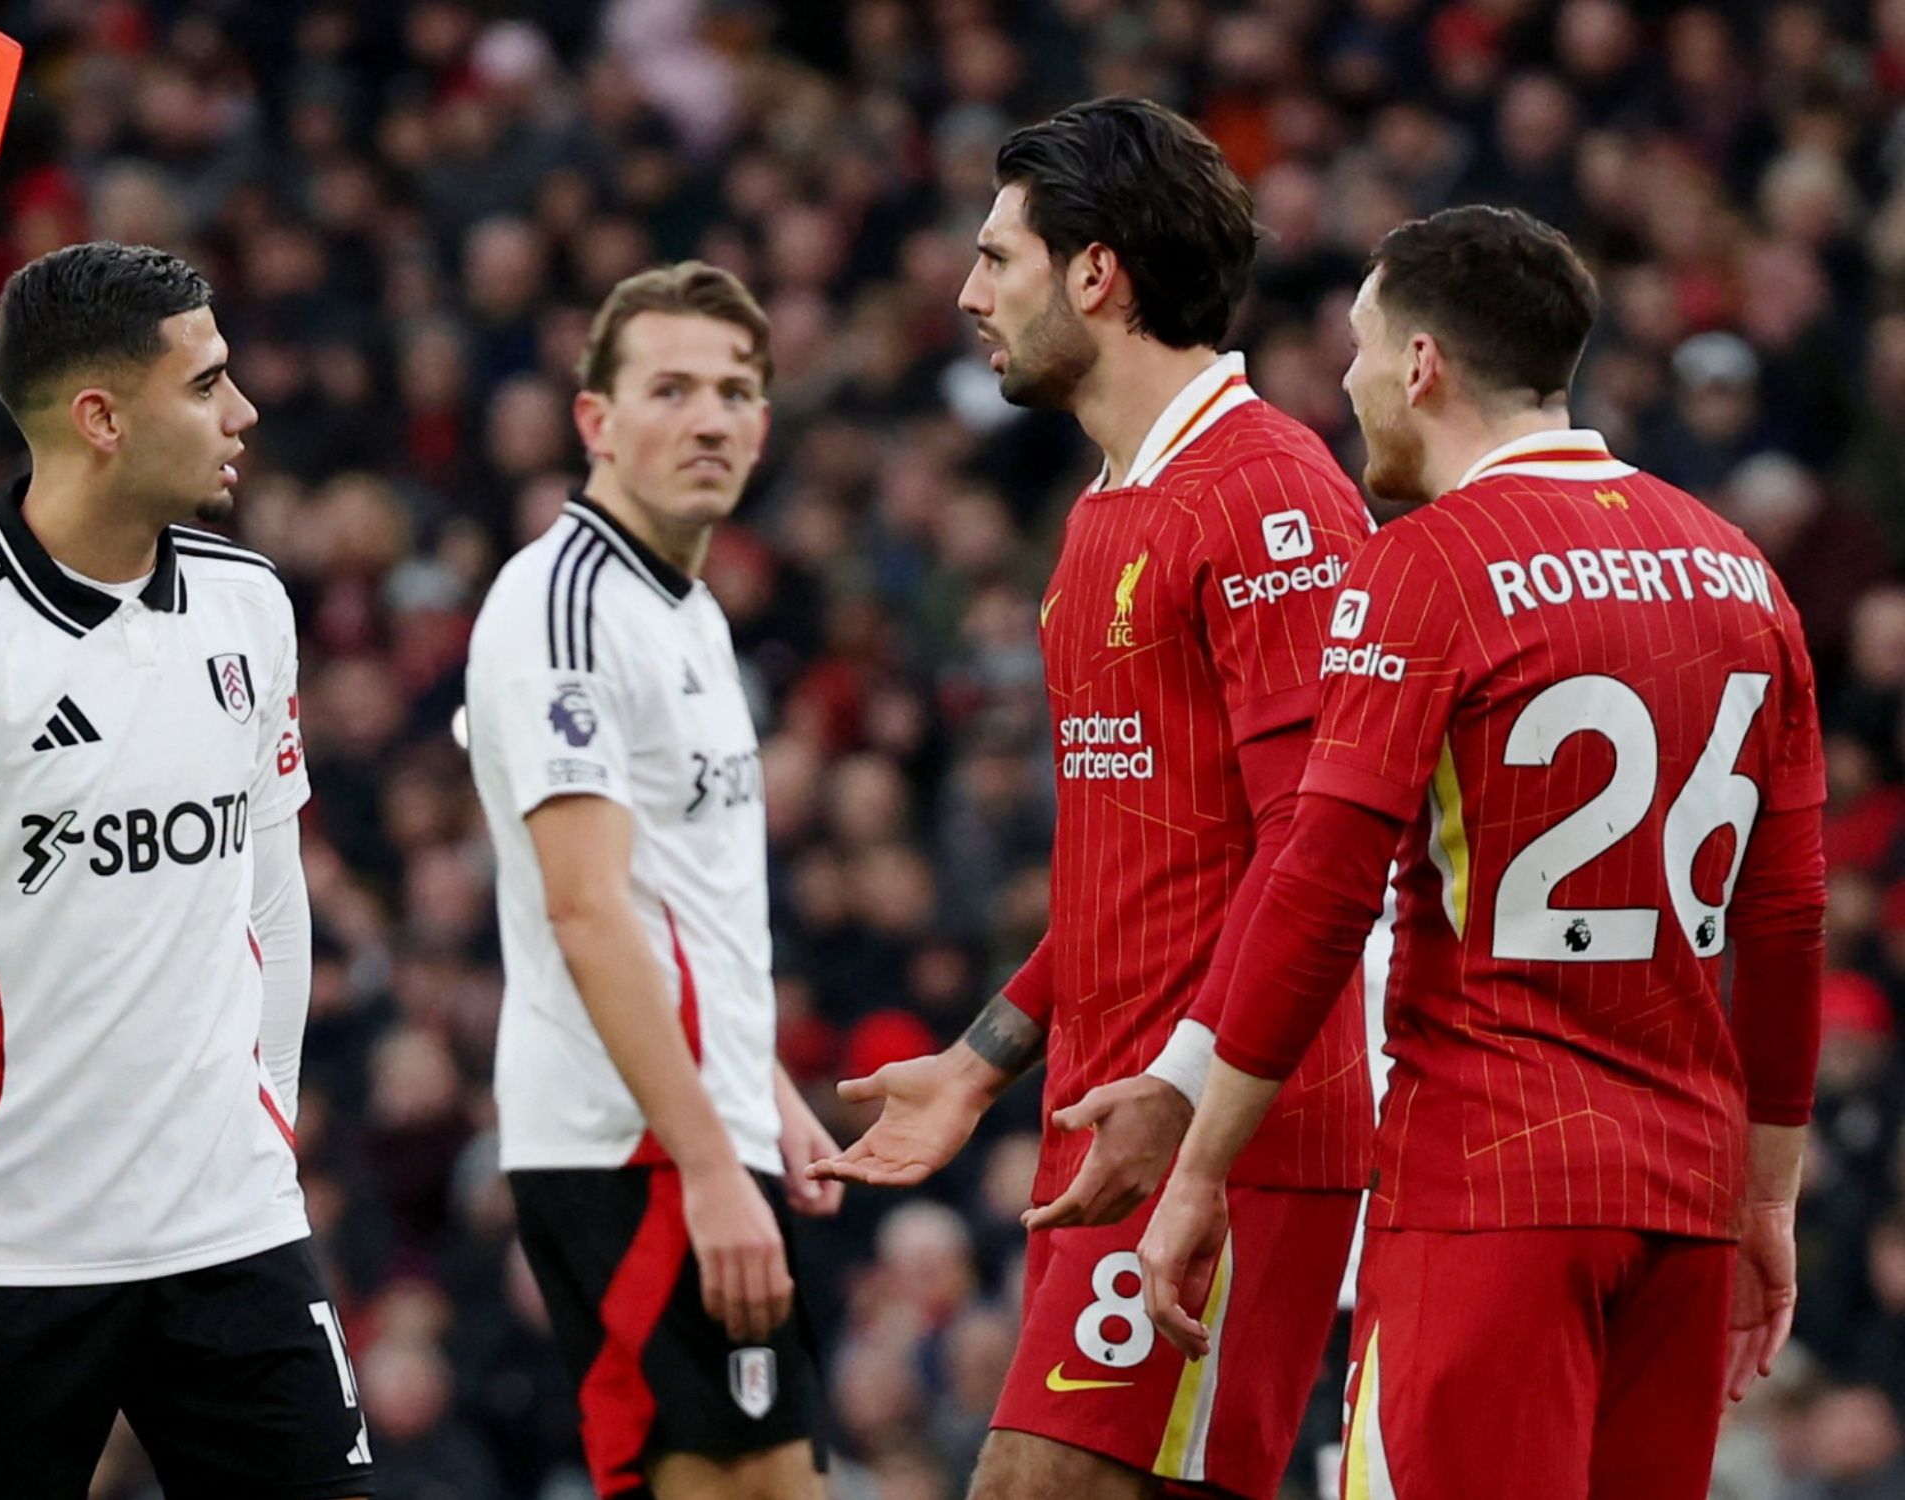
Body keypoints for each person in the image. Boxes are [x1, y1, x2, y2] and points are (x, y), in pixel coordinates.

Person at [1138, 205, 1829, 1500]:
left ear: (1420, 364)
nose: (1348, 383)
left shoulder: (1427, 567)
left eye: (1359, 348)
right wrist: (1767, 1199)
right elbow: (1785, 923)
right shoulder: (1744, 573)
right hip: (1684, 1205)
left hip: (1492, 1179)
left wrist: (1201, 1164)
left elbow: (1320, 895)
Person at [809, 100, 1374, 1500]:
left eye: (997, 258)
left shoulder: (1267, 495)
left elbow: (1317, 846)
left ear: (1096, 274)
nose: (968, 293)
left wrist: (1186, 1093)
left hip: (1226, 1136)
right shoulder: (1109, 508)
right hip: (1114, 1124)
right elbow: (1149, 871)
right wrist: (982, 1062)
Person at [0, 241, 368, 1500]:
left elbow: (272, 895)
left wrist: (268, 1136)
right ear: (101, 419)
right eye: (207, 384)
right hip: (9, 1254)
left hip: (231, 1228)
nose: (244, 412)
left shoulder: (249, 602)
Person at [464, 260, 844, 1500]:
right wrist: (711, 1161)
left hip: (691, 1125)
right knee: (744, 1484)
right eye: (671, 389)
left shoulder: (684, 608)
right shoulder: (565, 607)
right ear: (596, 419)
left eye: (735, 392)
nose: (710, 419)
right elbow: (586, 910)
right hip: (630, 1140)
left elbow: (676, 895)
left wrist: (761, 1093)